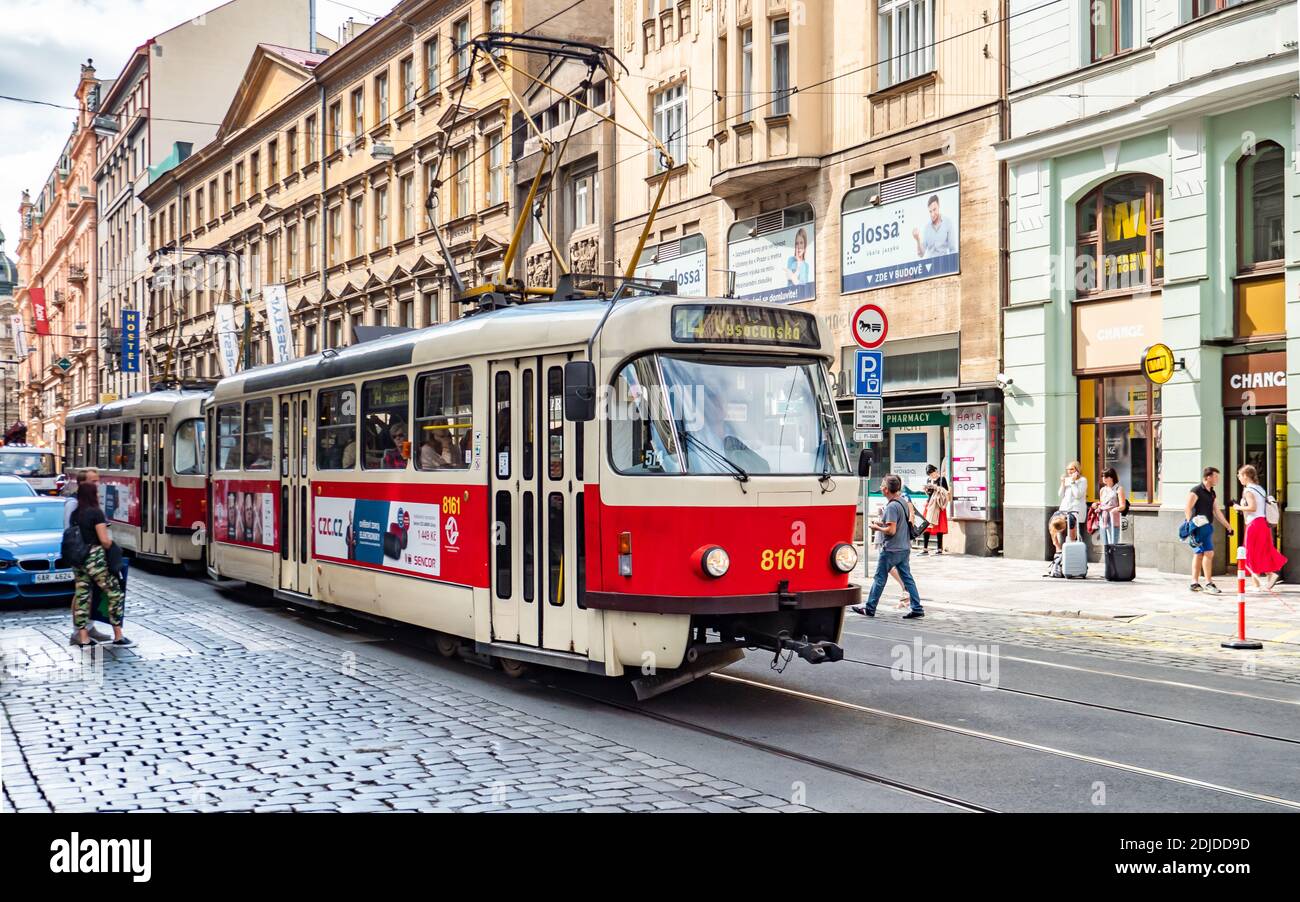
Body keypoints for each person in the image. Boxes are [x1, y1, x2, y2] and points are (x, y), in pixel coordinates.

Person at [851, 473, 923, 619]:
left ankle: (870, 608)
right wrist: (882, 524)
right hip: (904, 547)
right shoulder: (902, 501)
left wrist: (877, 528)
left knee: (879, 578)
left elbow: (891, 530)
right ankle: (917, 608)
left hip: (891, 549)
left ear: (886, 490)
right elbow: (897, 523)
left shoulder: (891, 507)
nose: (880, 487)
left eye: (882, 485)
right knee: (907, 578)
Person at [69, 481, 131, 647]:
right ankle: (118, 635)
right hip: (95, 559)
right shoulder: (96, 513)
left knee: (83, 595)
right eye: (96, 493)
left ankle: (83, 637)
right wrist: (113, 547)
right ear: (92, 495)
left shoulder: (75, 514)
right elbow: (104, 540)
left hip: (78, 559)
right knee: (114, 591)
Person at [1233, 465, 1287, 593]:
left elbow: (1252, 507)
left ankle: (1268, 576)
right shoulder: (1260, 489)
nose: (1239, 478)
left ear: (1246, 476)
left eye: (1240, 475)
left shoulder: (1248, 490)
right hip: (1262, 523)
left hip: (1254, 524)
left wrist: (1238, 507)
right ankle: (1261, 581)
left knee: (1251, 552)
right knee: (1260, 551)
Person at [1184, 466, 1233, 594]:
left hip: (1207, 527)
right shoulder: (1196, 490)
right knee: (1208, 553)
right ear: (1208, 477)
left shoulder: (1212, 492)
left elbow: (1216, 511)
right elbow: (1188, 508)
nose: (1217, 479)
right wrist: (1190, 525)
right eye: (1215, 477)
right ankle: (1208, 583)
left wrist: (1227, 525)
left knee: (1199, 554)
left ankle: (1194, 583)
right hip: (1198, 527)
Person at [921, 464, 949, 555]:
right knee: (926, 526)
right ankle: (925, 548)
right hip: (929, 504)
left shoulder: (942, 479)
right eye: (929, 474)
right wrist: (926, 489)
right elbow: (928, 494)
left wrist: (936, 488)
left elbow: (946, 492)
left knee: (939, 527)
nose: (931, 475)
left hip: (938, 505)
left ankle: (939, 548)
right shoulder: (929, 480)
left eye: (931, 473)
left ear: (935, 471)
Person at [1057, 460, 1088, 543]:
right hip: (1065, 508)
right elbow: (1060, 494)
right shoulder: (1067, 480)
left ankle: (1072, 546)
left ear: (1077, 470)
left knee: (1072, 528)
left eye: (1071, 469)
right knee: (1056, 525)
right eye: (1068, 469)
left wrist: (1073, 482)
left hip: (1075, 509)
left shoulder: (1082, 480)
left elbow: (1078, 495)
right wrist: (1063, 483)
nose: (1069, 471)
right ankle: (1060, 549)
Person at [1096, 467, 1126, 547]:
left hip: (1113, 518)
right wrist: (1097, 506)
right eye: (1102, 476)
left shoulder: (1119, 489)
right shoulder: (1102, 490)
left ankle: (1114, 559)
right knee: (1105, 544)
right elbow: (1102, 504)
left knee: (1113, 543)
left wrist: (1114, 510)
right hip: (1103, 518)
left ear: (1112, 477)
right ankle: (1107, 559)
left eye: (1106, 476)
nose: (1104, 478)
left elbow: (1122, 506)